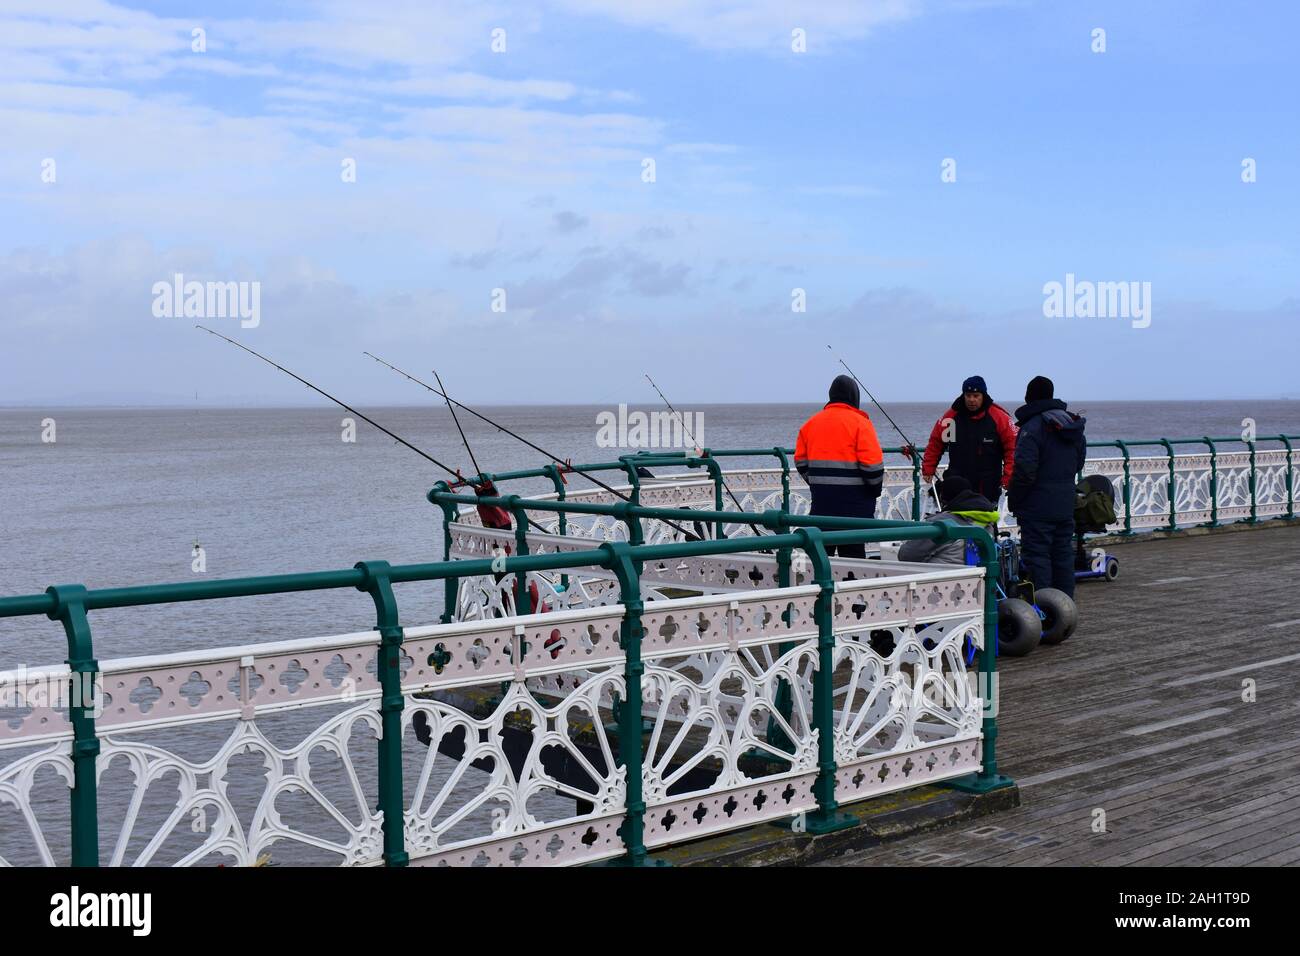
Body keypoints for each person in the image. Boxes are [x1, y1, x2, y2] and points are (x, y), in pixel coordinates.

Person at [1007, 375, 1087, 597]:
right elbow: (1078, 462)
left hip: (1036, 506)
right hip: (1064, 503)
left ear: (1029, 397)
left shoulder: (1033, 428)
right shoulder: (1072, 425)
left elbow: (1024, 472)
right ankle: (1065, 608)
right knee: (1062, 555)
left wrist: (1014, 499)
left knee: (1038, 557)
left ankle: (1044, 609)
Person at [794, 374, 884, 558]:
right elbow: (873, 467)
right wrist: (873, 490)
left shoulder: (810, 424)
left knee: (822, 558)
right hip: (856, 510)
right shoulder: (861, 424)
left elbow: (800, 461)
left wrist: (817, 482)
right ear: (854, 397)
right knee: (853, 561)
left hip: (822, 505)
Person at [919, 375, 1017, 503]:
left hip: (988, 483)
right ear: (963, 395)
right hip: (957, 482)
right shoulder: (951, 417)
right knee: (955, 520)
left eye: (976, 396)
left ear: (983, 396)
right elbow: (936, 443)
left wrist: (1008, 477)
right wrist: (928, 468)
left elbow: (1012, 448)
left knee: (985, 521)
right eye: (968, 395)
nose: (971, 400)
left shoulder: (999, 417)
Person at [898, 475, 1000, 565]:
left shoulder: (941, 523)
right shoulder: (987, 520)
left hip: (941, 581)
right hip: (979, 581)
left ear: (943, 498)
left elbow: (906, 555)